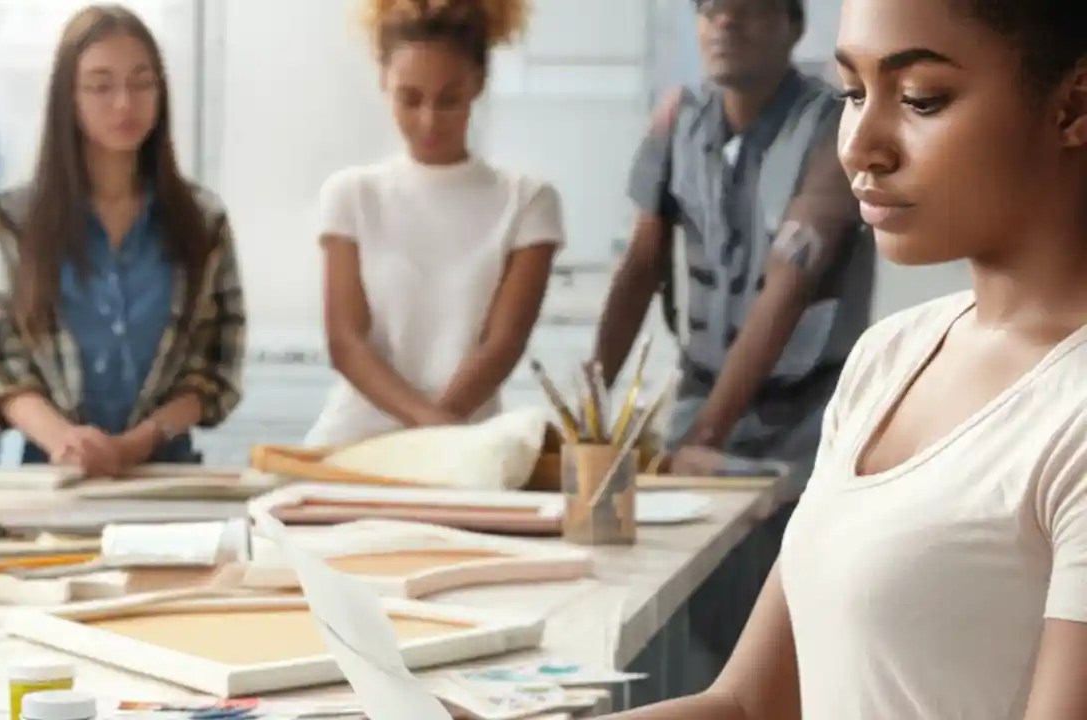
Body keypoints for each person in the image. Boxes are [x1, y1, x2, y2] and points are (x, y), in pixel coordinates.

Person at [605, 0, 1087, 716]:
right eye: (852, 94)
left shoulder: (1070, 411)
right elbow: (747, 704)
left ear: (1073, 106)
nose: (860, 144)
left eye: (922, 99)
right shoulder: (889, 357)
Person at [594, 0, 872, 692]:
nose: (725, 23)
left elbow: (787, 287)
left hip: (803, 419)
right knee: (667, 605)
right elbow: (639, 265)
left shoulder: (829, 125)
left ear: (793, 24)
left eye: (748, 10)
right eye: (711, 8)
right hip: (701, 394)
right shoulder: (677, 120)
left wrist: (711, 435)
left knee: (791, 619)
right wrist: (593, 405)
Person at [0, 4, 245, 476]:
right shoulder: (8, 225)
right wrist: (67, 441)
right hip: (50, 473)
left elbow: (215, 368)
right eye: (100, 85)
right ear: (68, 98)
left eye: (141, 82)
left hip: (167, 476)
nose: (123, 104)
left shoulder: (203, 222)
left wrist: (134, 445)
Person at [304, 0, 564, 447]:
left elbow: (502, 343)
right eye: (409, 98)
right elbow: (346, 342)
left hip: (464, 449)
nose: (427, 120)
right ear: (383, 77)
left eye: (448, 100)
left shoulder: (526, 202)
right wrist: (431, 426)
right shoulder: (351, 195)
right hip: (352, 445)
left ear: (478, 84)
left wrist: (436, 438)